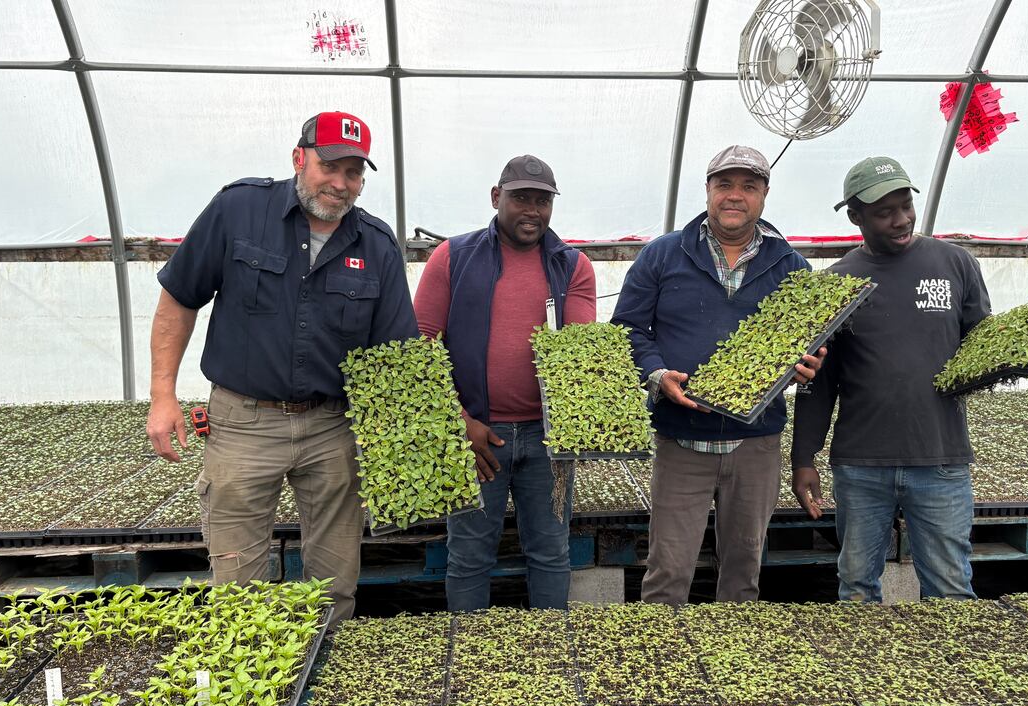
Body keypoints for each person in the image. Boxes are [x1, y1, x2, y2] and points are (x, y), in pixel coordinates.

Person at [146, 111, 417, 625]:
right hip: (244, 422)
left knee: (335, 584)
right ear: (299, 158)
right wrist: (163, 396)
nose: (340, 184)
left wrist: (405, 456)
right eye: (330, 166)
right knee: (238, 583)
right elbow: (179, 299)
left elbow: (396, 358)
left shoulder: (377, 245)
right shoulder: (239, 210)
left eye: (354, 172)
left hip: (332, 426)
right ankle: (251, 690)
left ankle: (325, 678)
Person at [611, 145, 823, 606]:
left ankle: (735, 668)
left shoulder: (790, 266)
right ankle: (663, 664)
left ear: (765, 195)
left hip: (756, 444)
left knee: (744, 572)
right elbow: (627, 328)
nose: (735, 196)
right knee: (667, 572)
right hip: (682, 440)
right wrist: (656, 373)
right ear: (707, 190)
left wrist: (806, 366)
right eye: (724, 184)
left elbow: (809, 342)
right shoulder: (664, 255)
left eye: (749, 186)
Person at [791, 156, 991, 602]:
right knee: (858, 583)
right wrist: (803, 457)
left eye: (906, 206)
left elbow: (983, 347)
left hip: (939, 457)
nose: (901, 220)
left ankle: (953, 669)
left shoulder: (955, 264)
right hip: (862, 463)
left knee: (950, 585)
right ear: (856, 216)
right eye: (884, 212)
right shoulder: (838, 282)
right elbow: (817, 382)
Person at [413, 155, 597, 611]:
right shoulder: (453, 257)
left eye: (542, 201)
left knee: (551, 551)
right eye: (520, 199)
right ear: (497, 198)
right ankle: (470, 655)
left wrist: (581, 427)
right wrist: (459, 423)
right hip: (476, 434)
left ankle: (552, 653)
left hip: (547, 438)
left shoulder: (572, 266)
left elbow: (580, 353)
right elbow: (419, 347)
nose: (531, 210)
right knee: (470, 555)